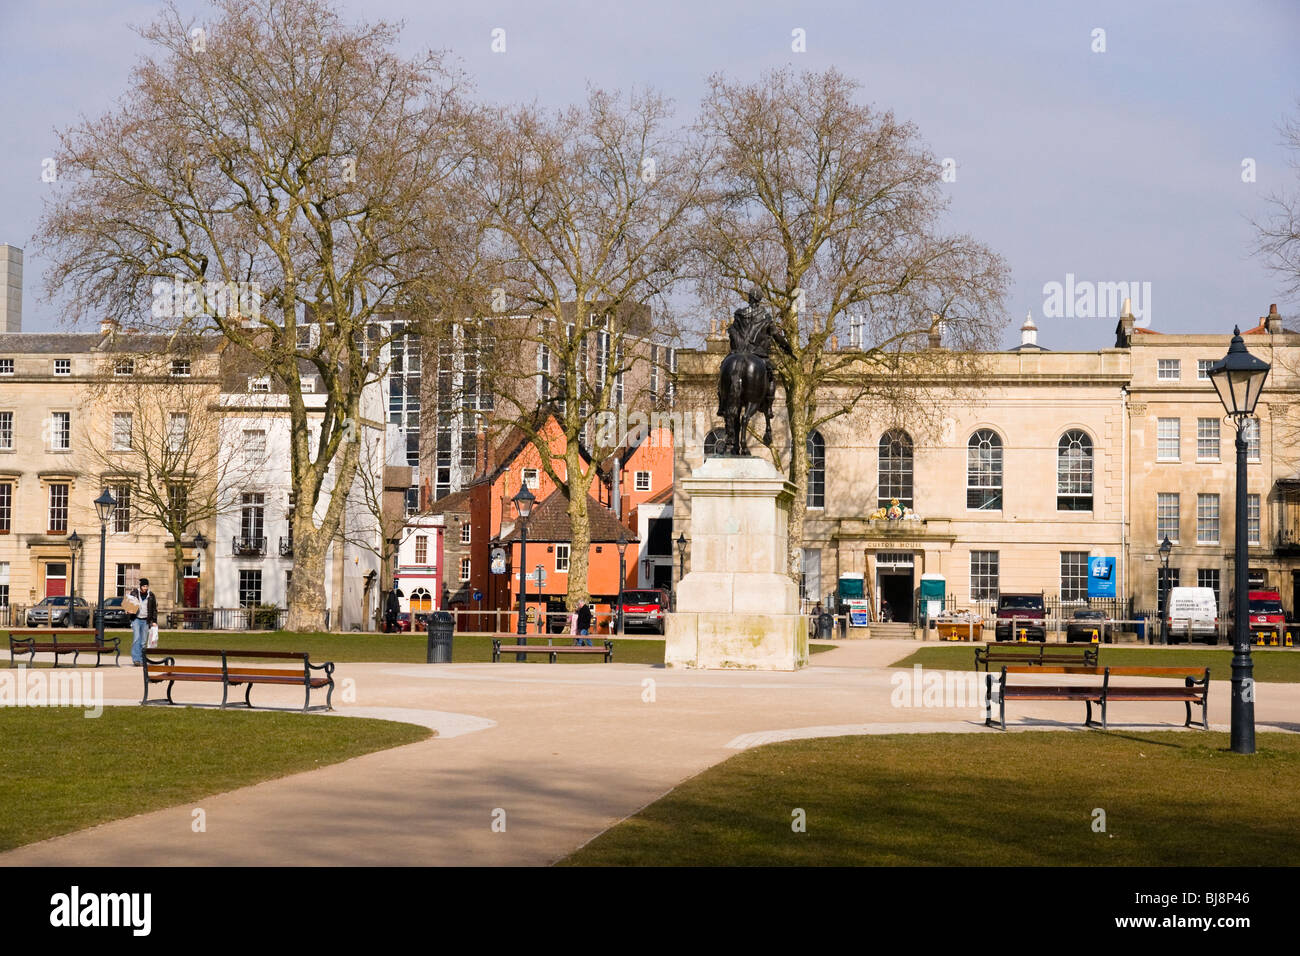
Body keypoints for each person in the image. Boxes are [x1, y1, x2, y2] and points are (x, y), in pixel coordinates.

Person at [128, 578, 157, 667]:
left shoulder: (151, 595)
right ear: (140, 586)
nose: (145, 588)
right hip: (136, 618)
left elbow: (154, 609)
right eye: (144, 586)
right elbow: (129, 605)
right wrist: (128, 611)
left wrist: (154, 621)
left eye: (146, 586)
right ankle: (136, 659)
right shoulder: (134, 593)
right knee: (136, 638)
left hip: (146, 620)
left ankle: (141, 659)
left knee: (143, 641)